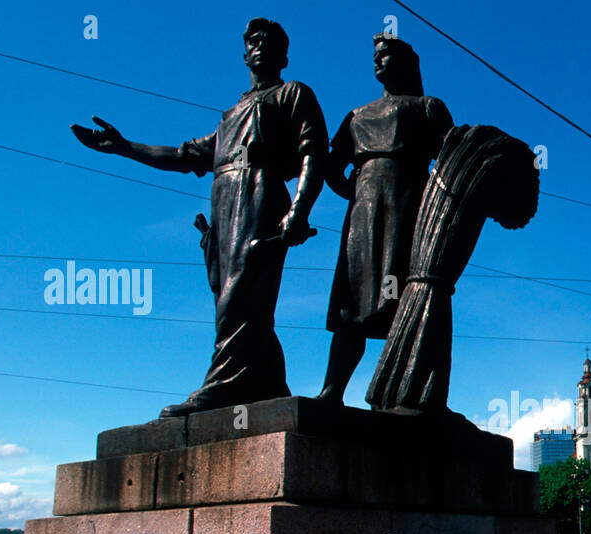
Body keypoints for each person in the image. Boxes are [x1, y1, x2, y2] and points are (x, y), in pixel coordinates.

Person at [71, 18, 327, 417]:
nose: (259, 47)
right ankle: (268, 385)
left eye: (268, 42)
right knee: (237, 301)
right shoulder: (230, 116)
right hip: (224, 200)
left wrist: (299, 209)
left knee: (239, 299)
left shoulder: (293, 94)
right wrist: (123, 147)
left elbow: (315, 152)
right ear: (244, 54)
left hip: (260, 195)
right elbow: (181, 156)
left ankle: (223, 386)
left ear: (284, 54)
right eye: (252, 42)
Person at [315, 35, 453, 409]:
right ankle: (332, 391)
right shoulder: (357, 116)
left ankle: (394, 393)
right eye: (375, 57)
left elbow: (450, 164)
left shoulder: (427, 107)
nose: (378, 62)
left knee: (399, 300)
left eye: (386, 56)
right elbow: (331, 163)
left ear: (407, 62)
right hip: (362, 217)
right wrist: (354, 191)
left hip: (408, 213)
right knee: (350, 305)